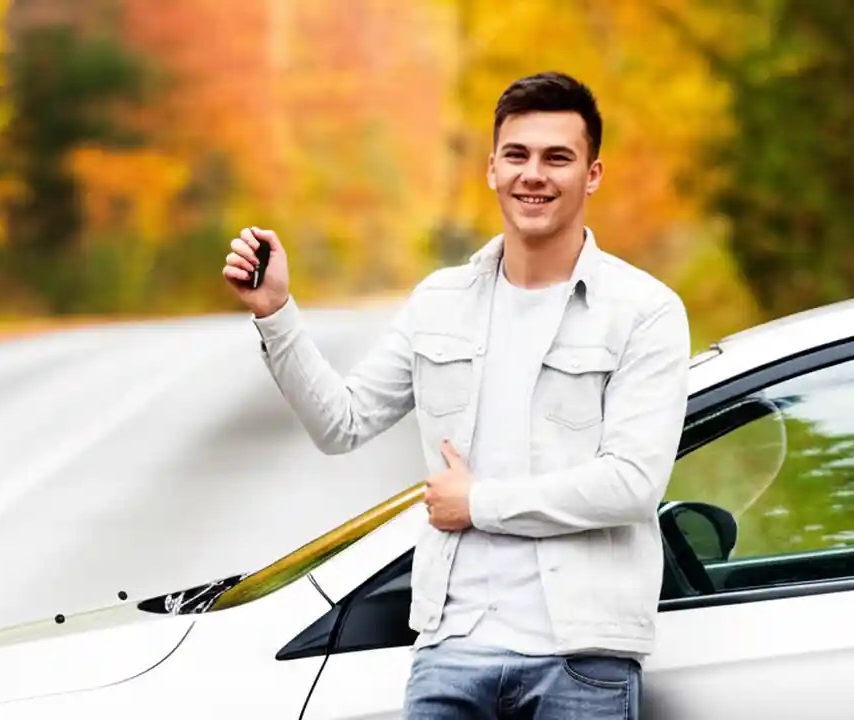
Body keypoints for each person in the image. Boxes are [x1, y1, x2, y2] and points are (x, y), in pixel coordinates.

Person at [221, 72, 689, 720]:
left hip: (581, 662)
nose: (534, 174)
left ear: (593, 174)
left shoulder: (644, 312)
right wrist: (276, 312)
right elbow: (342, 423)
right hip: (451, 652)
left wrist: (479, 503)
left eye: (558, 157)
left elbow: (633, 484)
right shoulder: (441, 302)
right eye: (518, 155)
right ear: (491, 168)